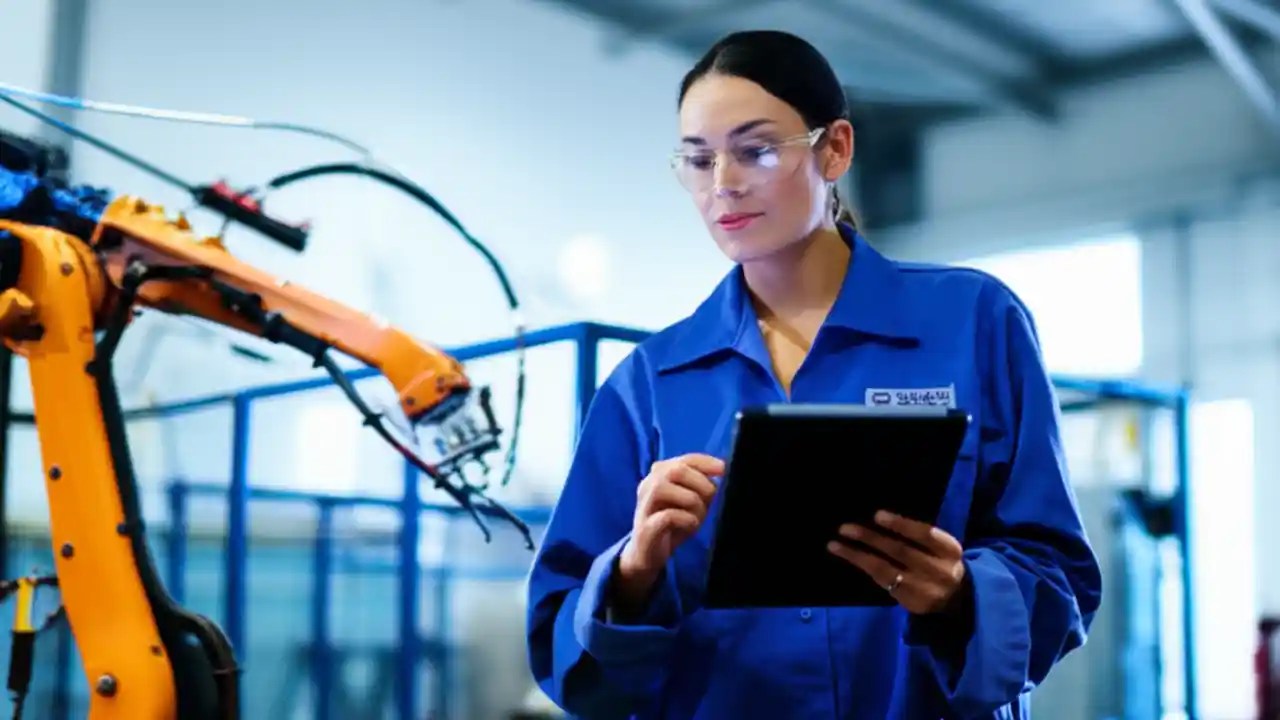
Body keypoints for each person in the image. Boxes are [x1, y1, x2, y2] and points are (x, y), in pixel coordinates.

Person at [525, 29, 1102, 720]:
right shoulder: (647, 384)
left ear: (835, 149)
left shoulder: (975, 321)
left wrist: (960, 595)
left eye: (756, 150)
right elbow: (567, 661)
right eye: (698, 160)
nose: (723, 185)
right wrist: (631, 573)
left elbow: (1060, 575)